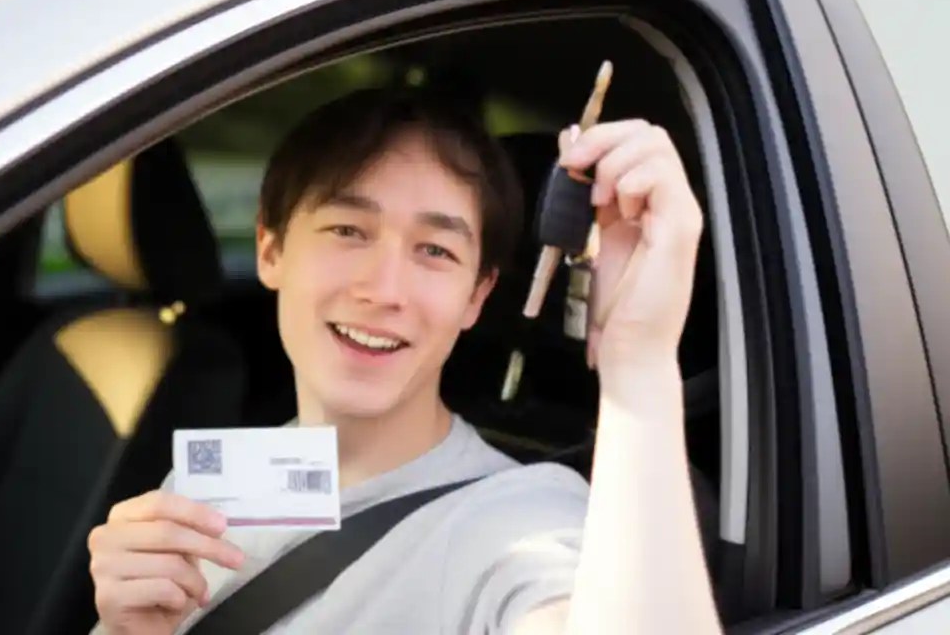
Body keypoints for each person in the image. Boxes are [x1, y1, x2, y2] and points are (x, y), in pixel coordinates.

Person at [86, 87, 719, 634]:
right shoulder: (216, 489)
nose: (383, 289)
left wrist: (638, 366)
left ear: (477, 296)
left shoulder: (515, 521)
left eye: (435, 251)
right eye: (348, 231)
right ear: (271, 249)